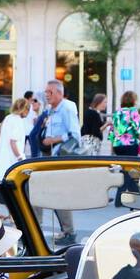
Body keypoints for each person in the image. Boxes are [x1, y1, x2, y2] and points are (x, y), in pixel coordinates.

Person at [38, 78, 81, 243]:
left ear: (59, 93)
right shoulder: (51, 110)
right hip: (50, 157)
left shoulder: (67, 108)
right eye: (46, 92)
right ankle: (65, 231)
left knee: (58, 194)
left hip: (60, 158)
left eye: (49, 92)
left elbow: (75, 135)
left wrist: (53, 140)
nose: (46, 95)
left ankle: (69, 233)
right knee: (40, 191)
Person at [0, 97, 30, 180]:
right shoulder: (18, 121)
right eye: (28, 109)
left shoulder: (8, 118)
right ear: (24, 109)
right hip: (12, 161)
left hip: (3, 160)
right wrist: (20, 158)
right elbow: (13, 142)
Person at [109, 91, 140, 157]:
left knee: (122, 166)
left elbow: (112, 131)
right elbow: (138, 129)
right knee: (131, 166)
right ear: (134, 101)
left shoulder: (117, 113)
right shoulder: (133, 112)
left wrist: (112, 147)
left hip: (117, 146)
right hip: (130, 145)